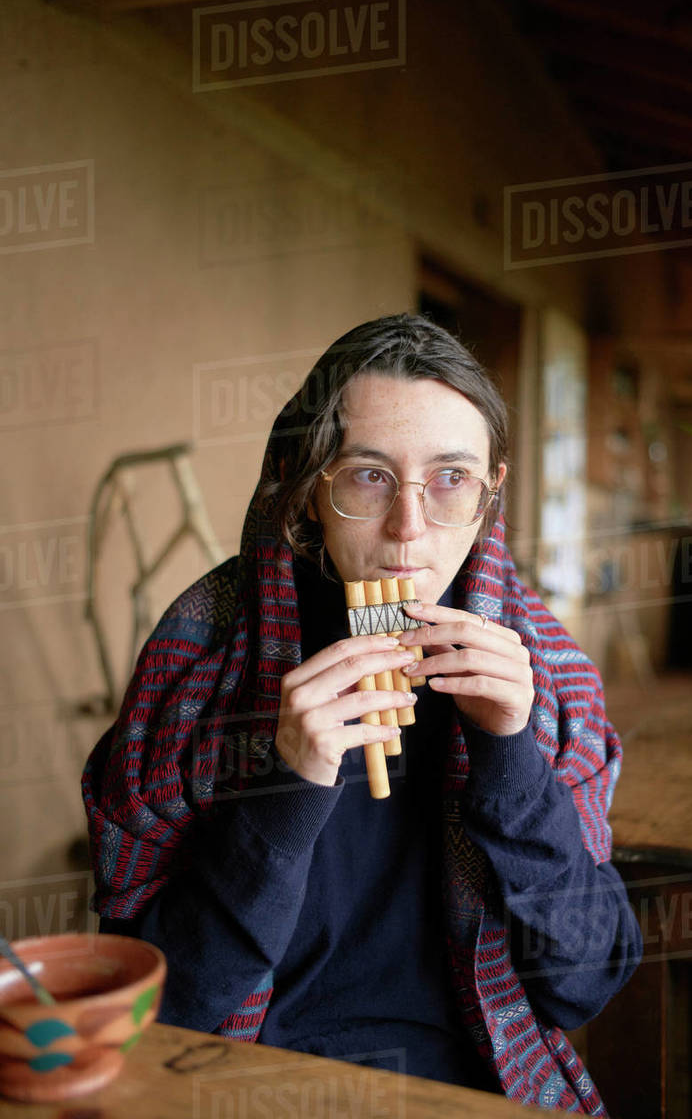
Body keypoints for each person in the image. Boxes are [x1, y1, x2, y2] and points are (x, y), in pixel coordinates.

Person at [82, 313, 642, 1113]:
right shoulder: (201, 647)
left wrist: (511, 760)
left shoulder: (545, 673)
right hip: (239, 1086)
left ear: (490, 495)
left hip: (471, 1089)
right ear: (308, 487)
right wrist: (287, 789)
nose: (408, 530)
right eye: (369, 476)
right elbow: (153, 1013)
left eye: (451, 479)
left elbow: (585, 983)